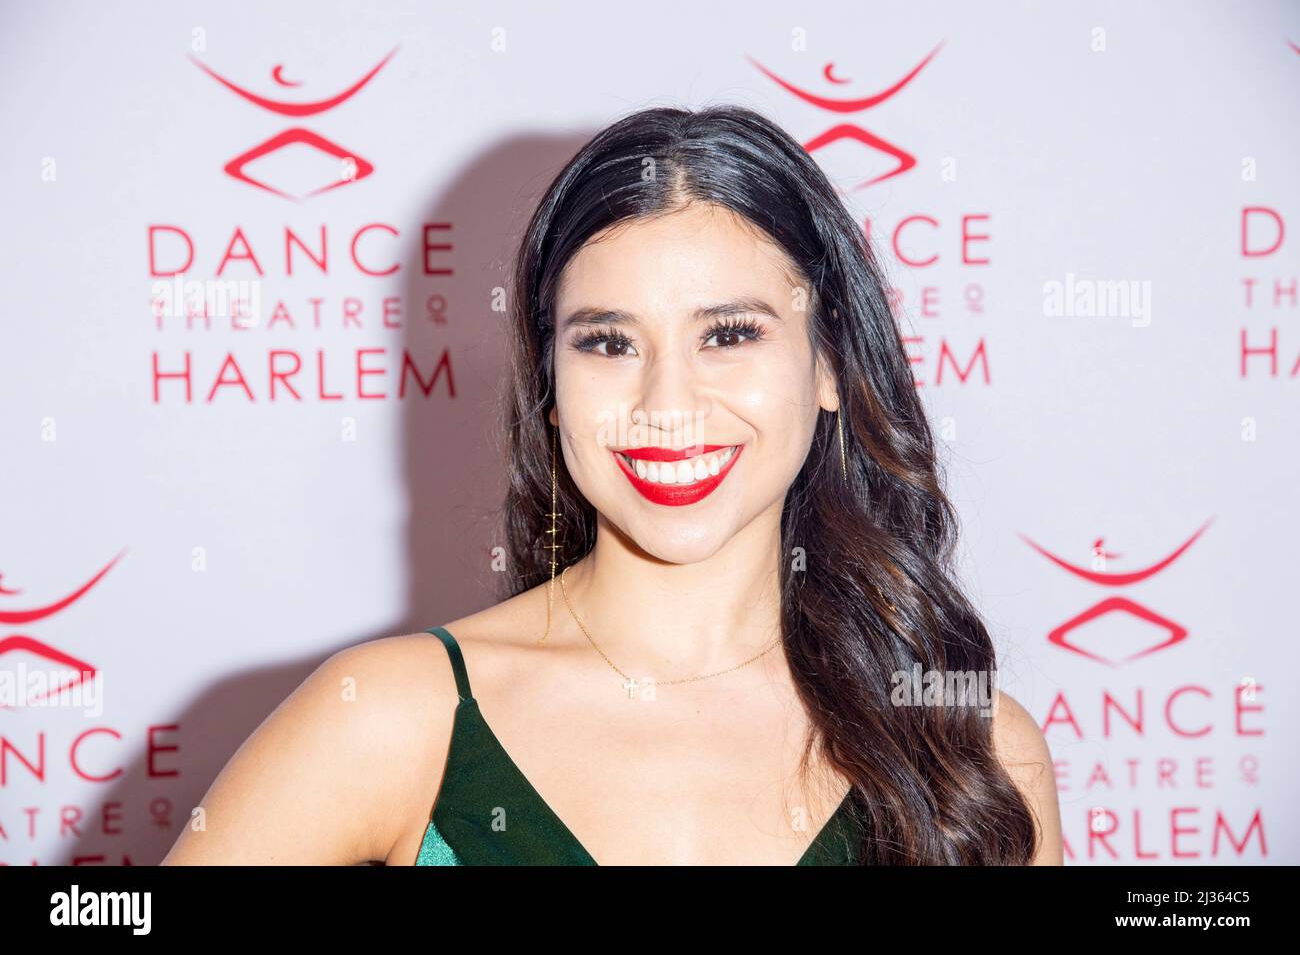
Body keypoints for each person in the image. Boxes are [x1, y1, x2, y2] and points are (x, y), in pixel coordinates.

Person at [162, 104, 1063, 866]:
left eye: (730, 334)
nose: (668, 404)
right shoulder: (395, 717)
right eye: (607, 342)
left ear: (832, 366)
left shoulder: (970, 753)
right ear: (551, 391)